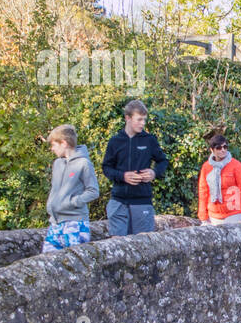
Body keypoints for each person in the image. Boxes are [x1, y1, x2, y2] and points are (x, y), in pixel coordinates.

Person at [101, 100, 168, 236]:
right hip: (118, 201)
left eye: (144, 120)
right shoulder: (115, 141)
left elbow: (163, 161)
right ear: (128, 118)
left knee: (143, 248)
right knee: (117, 245)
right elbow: (106, 167)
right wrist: (122, 176)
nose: (143, 123)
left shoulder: (149, 140)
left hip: (142, 202)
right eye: (139, 119)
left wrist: (154, 173)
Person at [42, 124, 100, 252]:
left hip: (75, 223)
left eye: (53, 145)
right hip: (55, 223)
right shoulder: (57, 164)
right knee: (46, 260)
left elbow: (93, 191)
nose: (51, 149)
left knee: (75, 263)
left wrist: (72, 202)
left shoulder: (83, 163)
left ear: (63, 143)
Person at [198, 133, 241, 224]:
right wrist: (203, 216)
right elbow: (203, 191)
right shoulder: (206, 167)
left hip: (234, 214)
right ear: (212, 150)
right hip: (214, 215)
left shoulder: (236, 165)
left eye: (225, 147)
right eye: (219, 148)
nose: (223, 150)